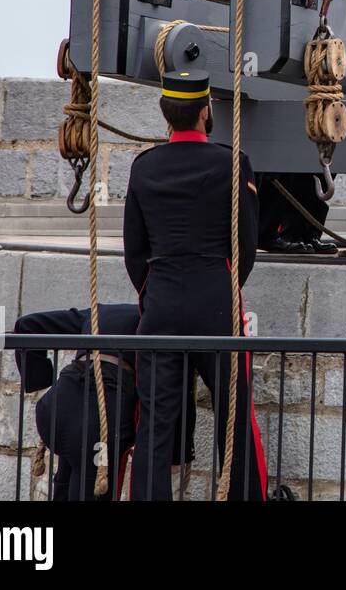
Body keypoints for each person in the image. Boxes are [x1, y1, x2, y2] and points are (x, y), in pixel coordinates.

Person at [124, 69, 268, 500]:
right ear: (207, 111)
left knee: (153, 425)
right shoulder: (232, 163)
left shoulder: (144, 167)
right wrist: (224, 283)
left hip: (162, 304)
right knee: (236, 419)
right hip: (215, 302)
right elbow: (246, 244)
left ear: (165, 114)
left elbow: (135, 251)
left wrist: (156, 293)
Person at [191, 0, 327, 253]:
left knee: (300, 121)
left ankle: (303, 230)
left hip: (275, 29)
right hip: (240, 27)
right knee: (256, 137)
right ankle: (269, 230)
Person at [13, 304, 195, 500]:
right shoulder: (159, 323)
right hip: (99, 418)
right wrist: (178, 457)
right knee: (89, 489)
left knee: (66, 478)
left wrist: (41, 386)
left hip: (54, 407)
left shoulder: (98, 313)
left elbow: (26, 325)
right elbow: (176, 394)